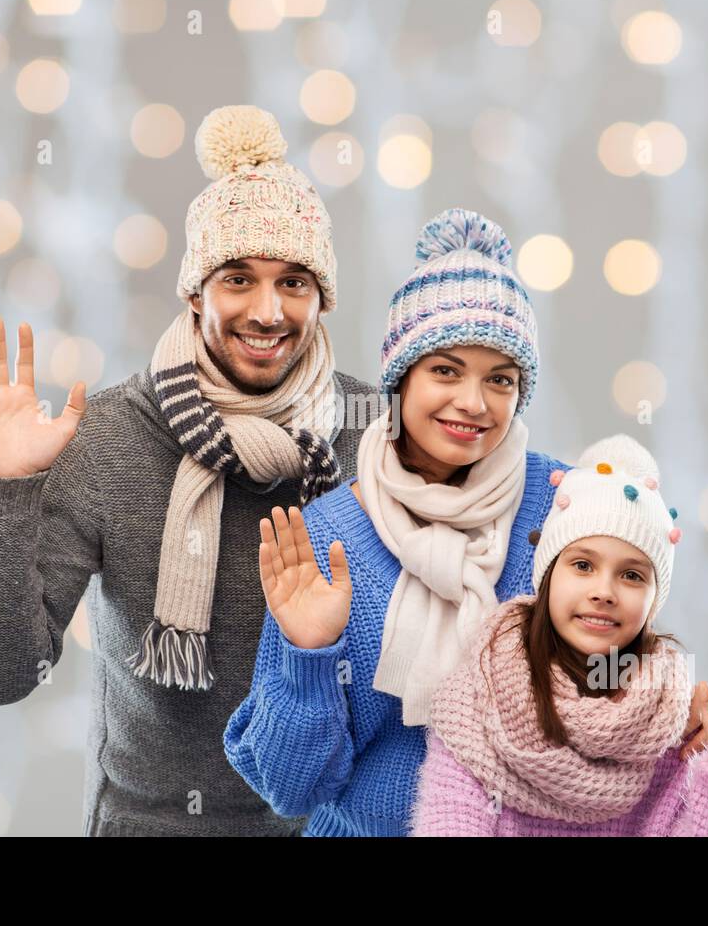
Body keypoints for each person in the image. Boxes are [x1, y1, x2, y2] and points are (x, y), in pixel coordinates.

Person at [0, 105, 381, 836]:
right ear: (195, 290)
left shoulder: (369, 429)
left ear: (321, 299)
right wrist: (9, 491)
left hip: (336, 820)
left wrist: (568, 508)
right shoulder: (112, 436)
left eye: (295, 283)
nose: (269, 310)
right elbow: (5, 675)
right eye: (238, 278)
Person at [223, 208, 568, 836]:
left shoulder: (561, 506)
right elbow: (290, 789)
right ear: (400, 379)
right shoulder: (330, 535)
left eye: (501, 379)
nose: (474, 402)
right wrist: (310, 654)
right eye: (445, 370)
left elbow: (616, 705)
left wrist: (636, 562)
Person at [410, 434, 708, 836]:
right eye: (583, 565)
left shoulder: (673, 722)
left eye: (631, 575)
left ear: (653, 601)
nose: (604, 592)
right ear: (549, 576)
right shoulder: (478, 700)